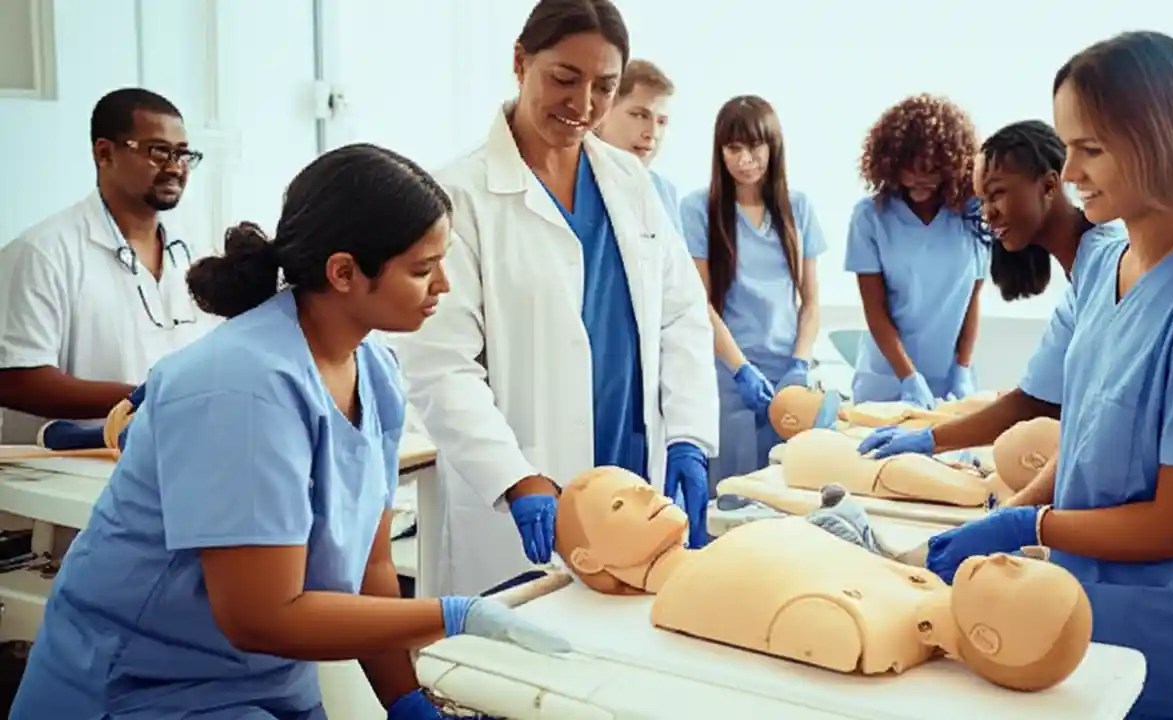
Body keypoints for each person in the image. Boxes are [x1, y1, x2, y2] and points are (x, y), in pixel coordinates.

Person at [10, 144, 569, 720]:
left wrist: (407, 701)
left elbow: (371, 569)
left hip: (265, 683)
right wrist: (451, 616)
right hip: (138, 689)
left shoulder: (374, 373)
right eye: (422, 269)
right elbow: (260, 616)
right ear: (344, 272)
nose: (443, 285)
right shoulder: (241, 386)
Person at [923, 31, 1173, 720]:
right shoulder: (1108, 270)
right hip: (1084, 623)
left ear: (1160, 139)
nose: (1070, 171)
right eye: (1067, 147)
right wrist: (1010, 520)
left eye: (1090, 149)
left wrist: (1033, 523)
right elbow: (1087, 435)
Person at [392, 0, 718, 597]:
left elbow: (681, 315)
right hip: (521, 496)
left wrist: (689, 435)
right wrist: (513, 477)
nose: (584, 104)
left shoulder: (630, 181)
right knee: (523, 644)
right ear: (520, 63)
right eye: (564, 78)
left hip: (632, 474)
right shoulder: (459, 195)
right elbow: (441, 366)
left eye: (605, 87)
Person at [858, 119, 1126, 474]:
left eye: (997, 194)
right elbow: (1033, 401)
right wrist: (930, 439)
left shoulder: (1110, 263)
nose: (987, 213)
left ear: (1049, 186)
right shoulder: (1079, 284)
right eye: (982, 200)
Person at [0, 88, 216, 434]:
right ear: (105, 153)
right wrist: (148, 397)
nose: (175, 167)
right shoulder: (42, 252)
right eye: (158, 151)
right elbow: (18, 378)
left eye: (182, 154)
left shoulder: (195, 247)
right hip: (66, 463)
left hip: (174, 451)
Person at [679, 95, 826, 484]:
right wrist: (741, 368)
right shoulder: (698, 209)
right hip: (729, 376)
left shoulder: (798, 208)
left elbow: (811, 302)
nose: (745, 159)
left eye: (755, 146)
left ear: (773, 146)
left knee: (788, 490)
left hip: (788, 378)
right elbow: (700, 304)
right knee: (732, 493)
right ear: (720, 151)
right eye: (733, 148)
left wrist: (799, 364)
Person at [845, 94, 989, 409]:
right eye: (909, 168)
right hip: (885, 380)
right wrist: (909, 377)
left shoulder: (972, 215)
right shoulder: (870, 218)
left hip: (949, 382)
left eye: (932, 168)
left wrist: (962, 369)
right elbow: (875, 311)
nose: (919, 178)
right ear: (891, 163)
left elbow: (972, 298)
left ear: (952, 164)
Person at [595, 58, 682, 231]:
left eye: (661, 122)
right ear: (602, 112)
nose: (652, 133)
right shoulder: (571, 181)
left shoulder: (663, 191)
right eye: (640, 116)